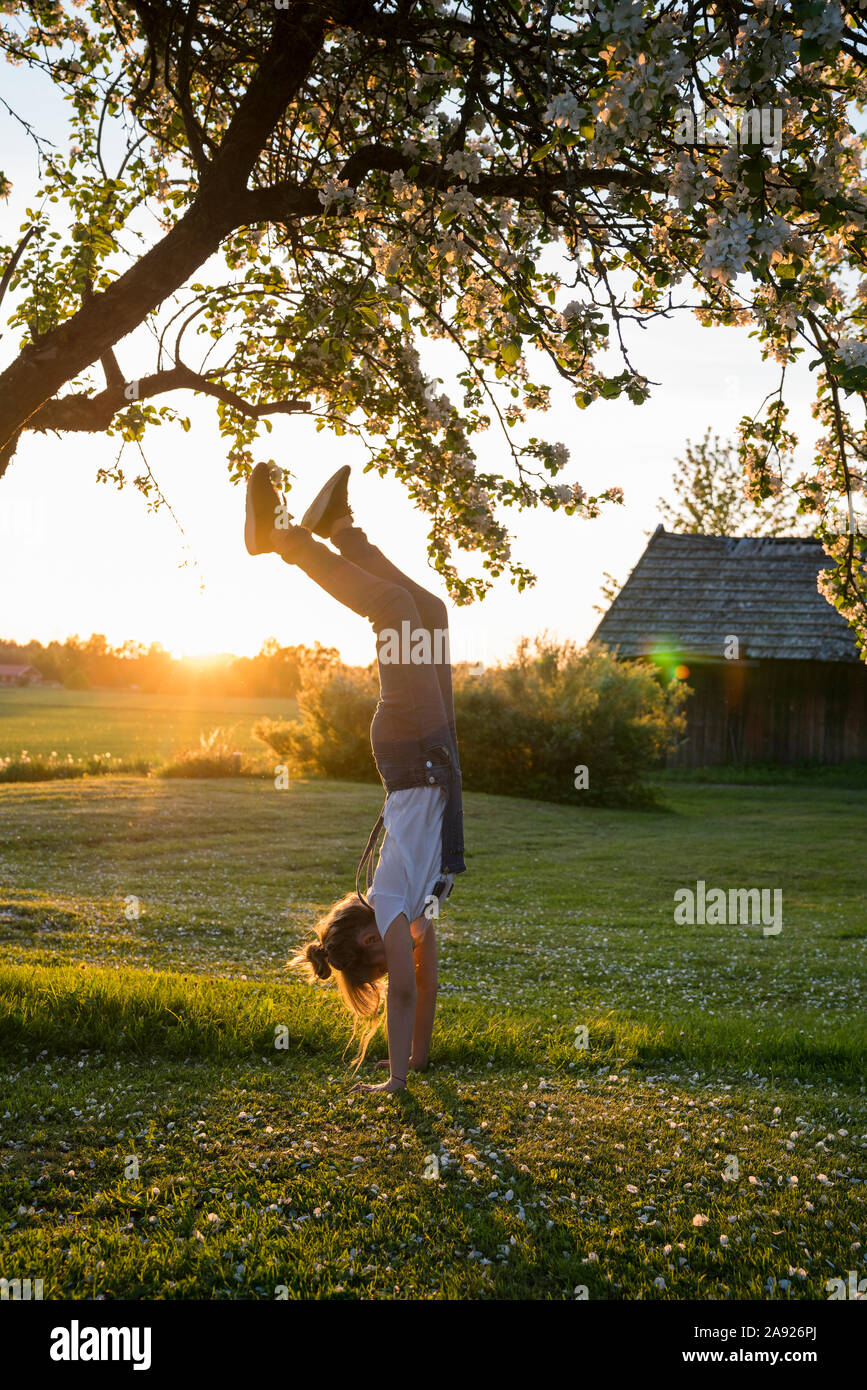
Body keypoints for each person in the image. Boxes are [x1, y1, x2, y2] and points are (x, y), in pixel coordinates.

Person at [244, 462, 465, 1093]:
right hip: (433, 751)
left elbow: (401, 992)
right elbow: (424, 987)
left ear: (368, 939)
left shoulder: (393, 901)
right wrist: (418, 1060)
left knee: (394, 611)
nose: (395, 961)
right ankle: (341, 529)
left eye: (378, 959)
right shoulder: (419, 916)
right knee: (428, 611)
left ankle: (281, 539)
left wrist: (394, 1082)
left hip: (412, 748)